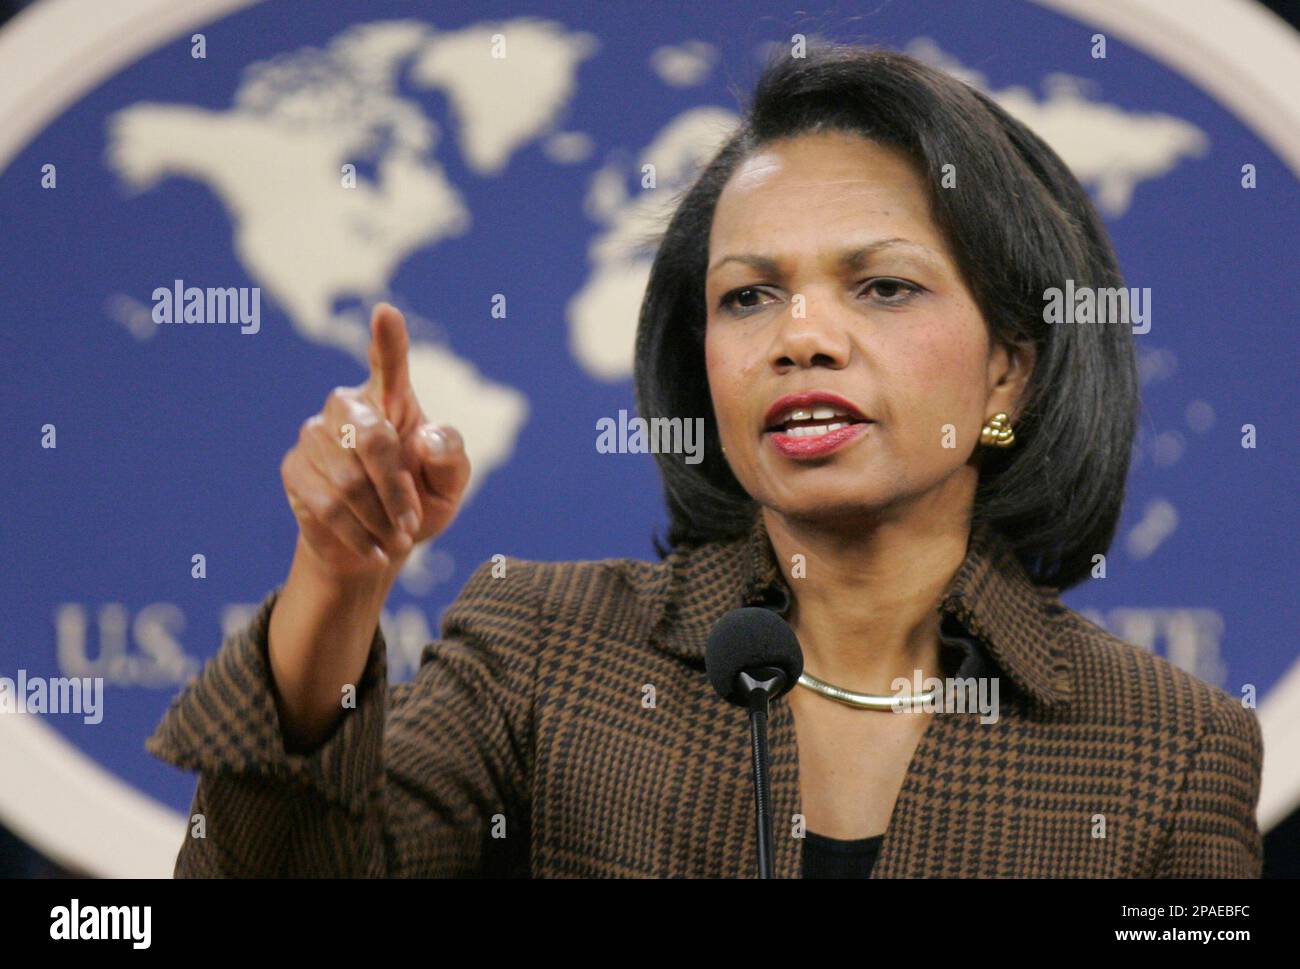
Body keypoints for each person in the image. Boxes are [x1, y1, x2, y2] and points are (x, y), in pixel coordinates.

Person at [147, 43, 1263, 878]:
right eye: (747, 296)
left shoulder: (1169, 749)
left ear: (1007, 374)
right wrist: (338, 583)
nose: (800, 336)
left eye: (881, 285)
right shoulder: (543, 651)